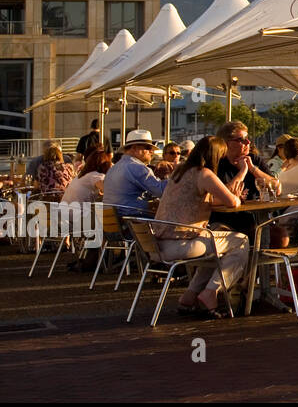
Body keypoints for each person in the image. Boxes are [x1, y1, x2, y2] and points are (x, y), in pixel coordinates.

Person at [155, 135, 249, 320]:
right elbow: (232, 202)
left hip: (160, 243)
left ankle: (189, 296)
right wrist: (237, 197)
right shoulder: (204, 173)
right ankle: (211, 292)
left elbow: (196, 200)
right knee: (241, 241)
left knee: (215, 245)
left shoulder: (180, 171)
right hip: (181, 243)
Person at [102, 129, 168, 216]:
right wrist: (177, 173)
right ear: (134, 148)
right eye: (148, 148)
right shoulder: (137, 167)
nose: (152, 152)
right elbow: (162, 191)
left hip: (114, 222)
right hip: (132, 220)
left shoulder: (114, 168)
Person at [214, 121, 278, 200]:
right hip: (232, 212)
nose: (248, 142)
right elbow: (221, 197)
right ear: (226, 143)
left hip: (256, 211)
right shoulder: (217, 164)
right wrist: (243, 171)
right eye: (241, 139)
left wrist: (253, 169)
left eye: (247, 138)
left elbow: (277, 189)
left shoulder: (254, 160)